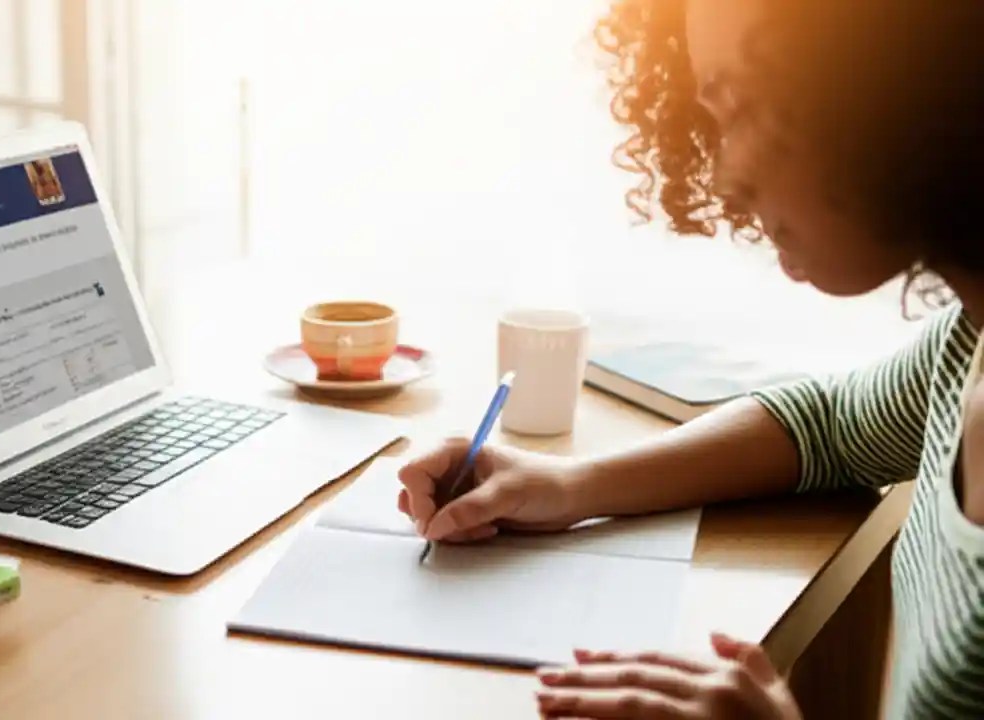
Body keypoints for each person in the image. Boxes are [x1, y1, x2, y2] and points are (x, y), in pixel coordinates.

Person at [396, 1, 984, 718]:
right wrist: (569, 486)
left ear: (894, 85)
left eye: (746, 107)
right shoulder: (967, 341)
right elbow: (828, 425)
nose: (726, 174)